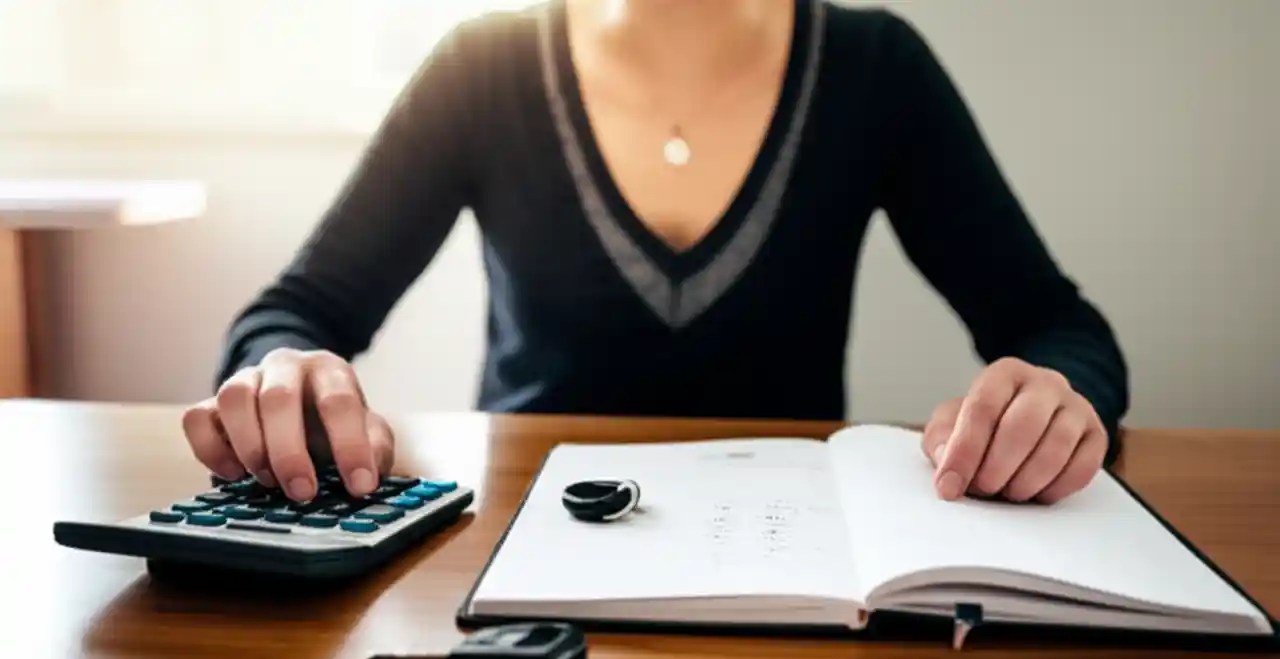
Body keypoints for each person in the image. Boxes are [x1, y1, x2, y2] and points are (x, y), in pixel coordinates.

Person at [183, 0, 1128, 507]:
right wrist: (285, 379)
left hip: (792, 571)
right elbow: (296, 313)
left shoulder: (876, 66)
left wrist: (1054, 396)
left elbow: (1058, 326)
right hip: (522, 576)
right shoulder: (483, 65)